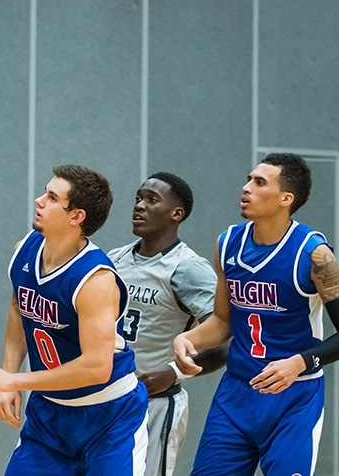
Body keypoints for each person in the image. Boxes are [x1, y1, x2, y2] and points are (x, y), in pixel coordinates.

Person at [173, 153, 339, 476]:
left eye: (259, 182)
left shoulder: (314, 255)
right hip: (237, 392)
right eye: (249, 179)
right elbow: (222, 322)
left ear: (285, 198)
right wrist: (187, 338)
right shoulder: (228, 243)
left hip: (294, 396)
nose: (246, 187)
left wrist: (299, 362)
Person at [0, 164, 148, 475]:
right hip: (49, 417)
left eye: (52, 198)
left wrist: (16, 381)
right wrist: (8, 378)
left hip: (109, 416)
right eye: (45, 192)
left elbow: (97, 368)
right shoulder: (23, 251)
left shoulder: (95, 280)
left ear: (76, 216)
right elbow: (19, 308)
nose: (39, 201)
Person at [106, 172, 227, 476]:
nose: (139, 206)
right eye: (137, 198)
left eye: (151, 199)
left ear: (177, 214)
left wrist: (173, 372)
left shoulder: (187, 268)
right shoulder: (114, 259)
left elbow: (226, 339)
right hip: (106, 398)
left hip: (155, 402)